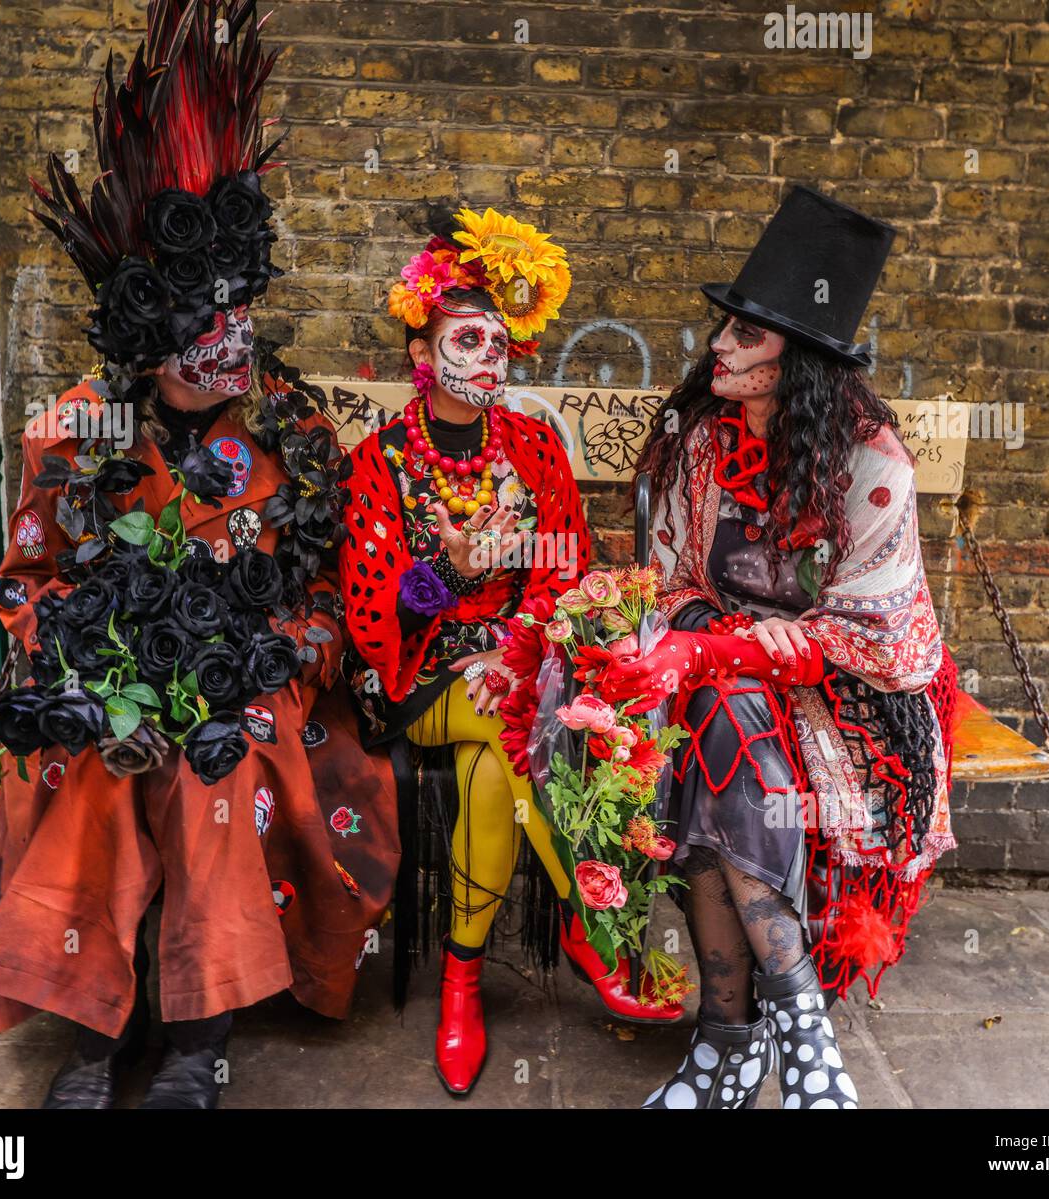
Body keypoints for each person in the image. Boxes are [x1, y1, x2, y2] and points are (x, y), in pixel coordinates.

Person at [0, 0, 398, 1109]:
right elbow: (29, 584)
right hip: (103, 678)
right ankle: (95, 1034)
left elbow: (333, 602)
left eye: (237, 320)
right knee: (105, 760)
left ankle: (201, 1031)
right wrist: (77, 678)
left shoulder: (293, 432)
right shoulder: (76, 430)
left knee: (215, 758)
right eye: (197, 328)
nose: (224, 347)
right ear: (140, 333)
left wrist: (256, 664)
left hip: (261, 684)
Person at [601, 186, 959, 1109]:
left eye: (746, 336)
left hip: (847, 694)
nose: (719, 345)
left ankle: (729, 1041)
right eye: (725, 327)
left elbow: (870, 634)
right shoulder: (698, 447)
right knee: (722, 717)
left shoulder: (871, 462)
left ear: (798, 360)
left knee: (724, 721)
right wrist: (706, 646)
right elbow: (674, 584)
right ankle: (800, 1041)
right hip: (728, 678)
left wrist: (721, 656)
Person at [338, 206, 683, 1097]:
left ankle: (463, 982)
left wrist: (515, 651)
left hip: (516, 668)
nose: (487, 356)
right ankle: (590, 923)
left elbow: (563, 562)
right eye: (466, 337)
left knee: (502, 753)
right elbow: (371, 612)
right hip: (417, 677)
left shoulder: (533, 447)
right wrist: (449, 578)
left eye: (498, 340)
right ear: (425, 352)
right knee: (514, 726)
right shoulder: (378, 462)